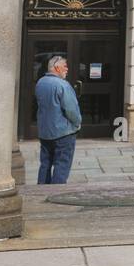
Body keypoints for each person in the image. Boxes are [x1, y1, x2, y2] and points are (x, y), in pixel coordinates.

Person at [36, 55, 81, 184]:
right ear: (56, 67)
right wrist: (77, 124)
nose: (67, 69)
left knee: (45, 164)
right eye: (64, 66)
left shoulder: (40, 82)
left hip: (45, 132)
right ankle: (56, 192)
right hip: (63, 133)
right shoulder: (62, 85)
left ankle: (40, 192)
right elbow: (71, 110)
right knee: (62, 166)